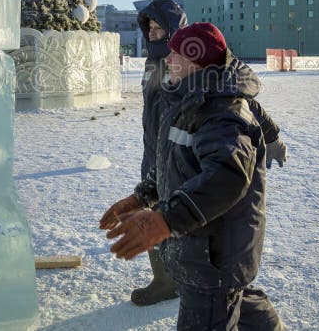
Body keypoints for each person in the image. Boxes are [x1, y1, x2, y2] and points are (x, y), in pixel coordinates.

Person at [100, 23, 285, 330]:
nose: (169, 59)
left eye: (177, 53)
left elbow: (226, 177)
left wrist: (166, 220)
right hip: (201, 248)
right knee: (234, 295)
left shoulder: (222, 111)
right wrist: (142, 196)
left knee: (217, 296)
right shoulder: (189, 100)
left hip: (215, 251)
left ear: (198, 62)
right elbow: (174, 163)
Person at [127, 0, 187, 305]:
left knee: (167, 215)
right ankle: (167, 278)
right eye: (148, 26)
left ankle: (171, 281)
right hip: (152, 152)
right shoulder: (153, 62)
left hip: (174, 157)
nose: (152, 32)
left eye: (158, 26)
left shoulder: (180, 63)